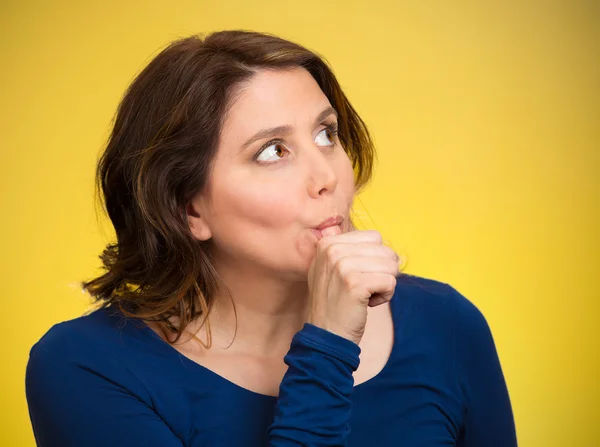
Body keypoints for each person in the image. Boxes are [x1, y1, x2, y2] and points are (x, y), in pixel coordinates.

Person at [25, 30, 518, 446]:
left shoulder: (447, 324)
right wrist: (327, 347)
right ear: (188, 207)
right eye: (272, 151)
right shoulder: (85, 368)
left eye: (327, 134)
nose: (326, 174)